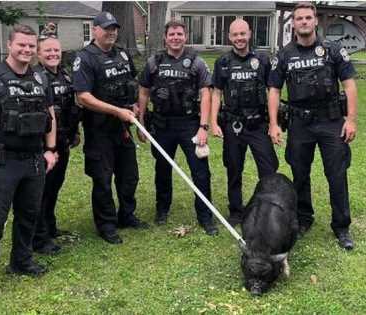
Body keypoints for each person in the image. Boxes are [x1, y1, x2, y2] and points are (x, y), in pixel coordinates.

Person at [0, 24, 58, 302]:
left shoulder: (41, 79)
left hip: (33, 162)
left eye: (31, 46)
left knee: (28, 216)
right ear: (10, 45)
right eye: (22, 45)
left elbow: (50, 114)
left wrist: (50, 149)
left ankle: (21, 261)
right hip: (1, 162)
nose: (27, 50)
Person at [268, 2, 357, 250]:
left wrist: (350, 120)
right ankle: (304, 219)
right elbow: (273, 90)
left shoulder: (333, 50)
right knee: (300, 174)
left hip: (331, 122)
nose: (304, 22)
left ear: (315, 21)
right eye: (299, 19)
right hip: (300, 124)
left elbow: (349, 85)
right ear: (293, 24)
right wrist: (274, 123)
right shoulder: (284, 55)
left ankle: (341, 226)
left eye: (308, 17)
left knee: (337, 175)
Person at [72, 11, 149, 245]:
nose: (111, 32)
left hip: (123, 128)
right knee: (103, 179)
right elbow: (83, 97)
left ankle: (126, 215)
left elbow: (134, 84)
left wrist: (135, 107)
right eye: (106, 28)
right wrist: (116, 111)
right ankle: (106, 224)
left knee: (129, 176)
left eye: (114, 28)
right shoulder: (85, 58)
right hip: (100, 130)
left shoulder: (123, 54)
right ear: (95, 30)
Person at [137, 20, 218, 235]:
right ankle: (162, 209)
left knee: (201, 172)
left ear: (185, 36)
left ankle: (205, 216)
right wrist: (142, 121)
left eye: (179, 34)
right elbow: (144, 91)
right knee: (162, 169)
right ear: (165, 37)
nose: (175, 37)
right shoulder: (154, 62)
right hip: (162, 125)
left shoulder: (197, 62)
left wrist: (203, 126)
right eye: (172, 34)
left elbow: (206, 93)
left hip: (190, 125)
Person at [211, 19, 279, 226]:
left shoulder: (263, 60)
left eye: (243, 33)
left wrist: (274, 123)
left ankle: (268, 209)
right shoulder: (222, 62)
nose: (239, 38)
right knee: (233, 168)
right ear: (229, 37)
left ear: (249, 34)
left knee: (268, 169)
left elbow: (273, 91)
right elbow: (216, 93)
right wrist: (213, 122)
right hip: (233, 124)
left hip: (258, 124)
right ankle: (236, 211)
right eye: (235, 34)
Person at [31, 25, 81, 255]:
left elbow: (72, 107)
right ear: (38, 54)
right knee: (41, 191)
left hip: (63, 142)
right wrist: (47, 147)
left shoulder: (66, 75)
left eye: (56, 50)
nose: (53, 54)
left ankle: (49, 227)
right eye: (48, 51)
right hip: (45, 146)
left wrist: (75, 133)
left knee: (54, 188)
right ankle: (39, 238)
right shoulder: (35, 78)